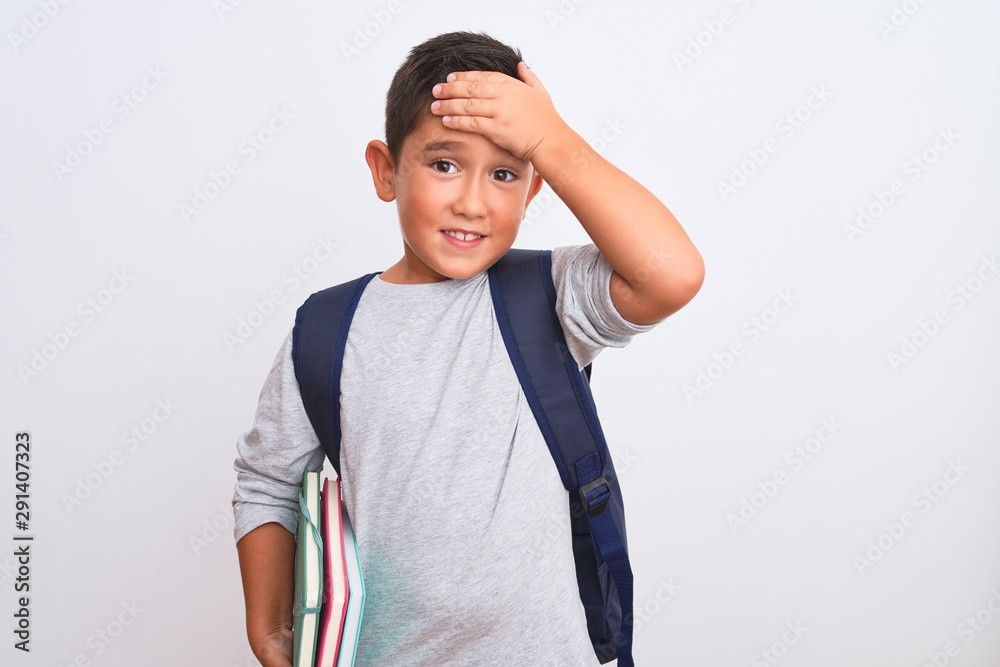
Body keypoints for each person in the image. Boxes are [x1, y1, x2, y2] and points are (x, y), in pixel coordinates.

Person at [232, 30, 704, 666]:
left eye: (506, 172)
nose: (473, 201)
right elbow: (267, 481)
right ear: (384, 168)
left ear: (533, 190)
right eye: (444, 164)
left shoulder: (548, 297)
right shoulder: (325, 329)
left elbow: (671, 273)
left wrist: (552, 141)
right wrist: (266, 627)